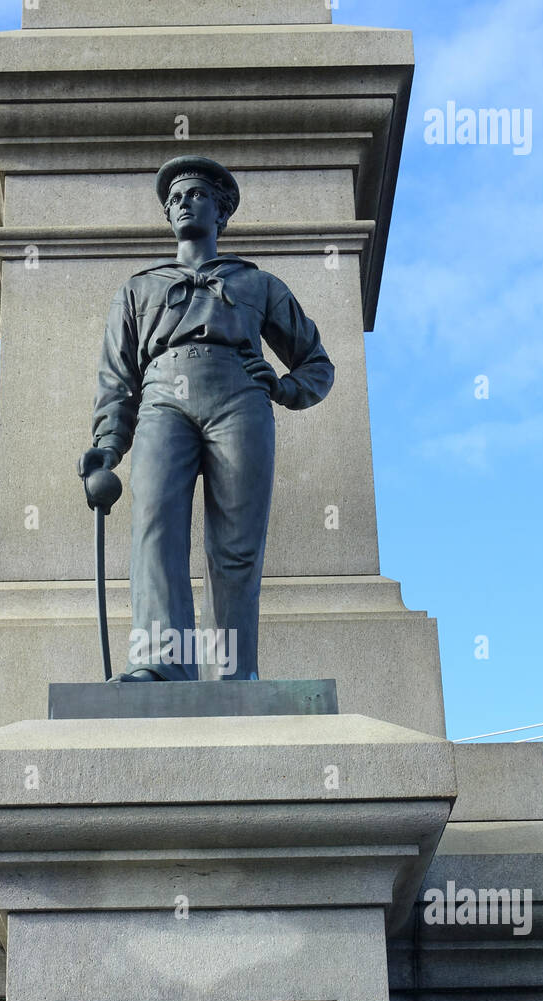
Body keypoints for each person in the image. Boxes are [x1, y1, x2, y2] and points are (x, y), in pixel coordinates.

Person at [78, 156, 334, 681]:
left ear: (221, 212)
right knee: (155, 529)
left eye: (194, 194)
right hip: (162, 401)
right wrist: (108, 442)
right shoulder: (138, 288)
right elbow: (117, 377)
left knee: (237, 543)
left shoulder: (258, 284)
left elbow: (317, 363)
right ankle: (161, 664)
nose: (181, 203)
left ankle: (234, 672)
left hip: (239, 400)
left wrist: (284, 387)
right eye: (173, 198)